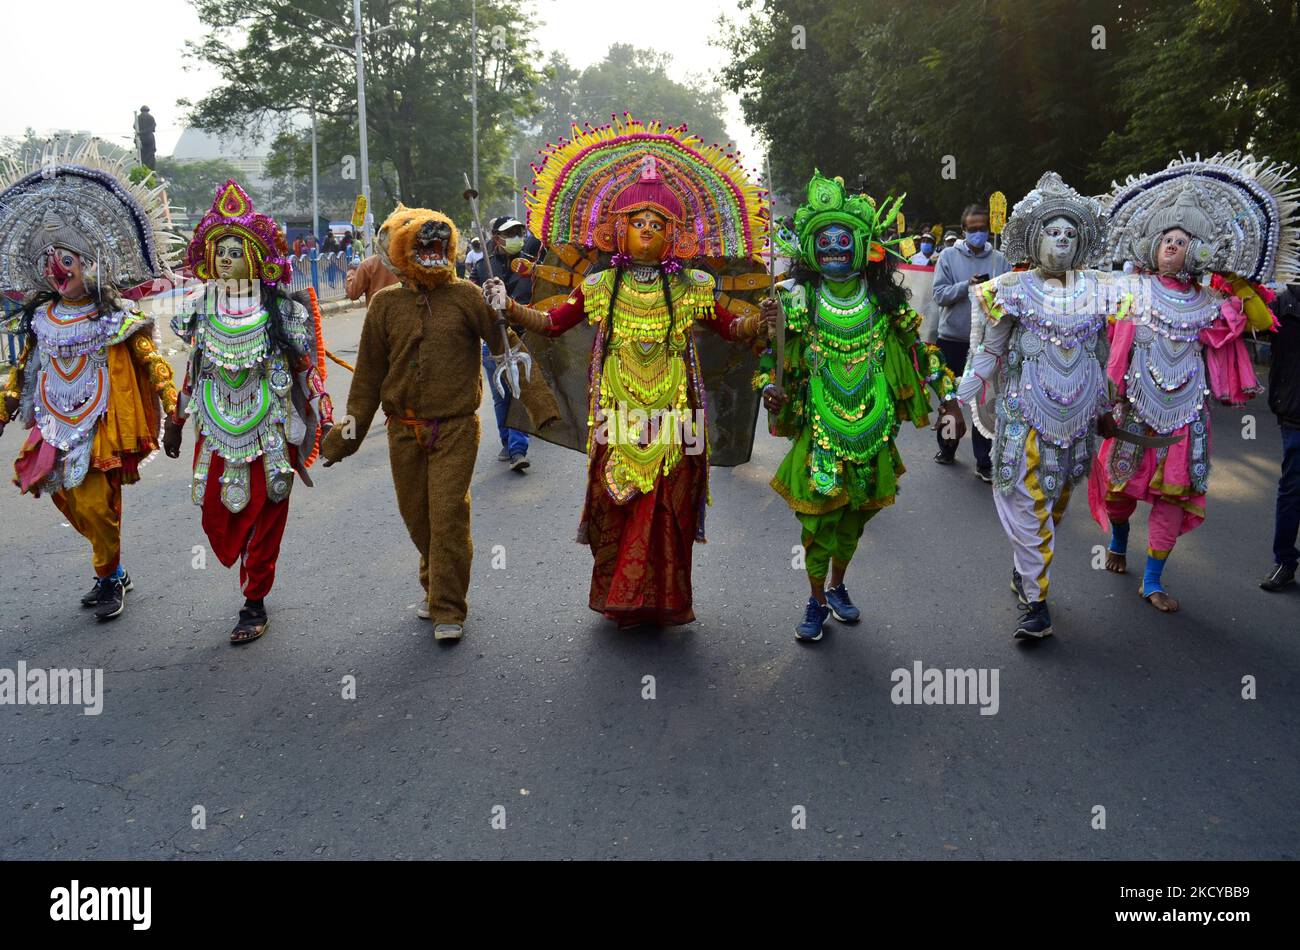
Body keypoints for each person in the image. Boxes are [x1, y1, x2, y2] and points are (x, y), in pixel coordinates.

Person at [485, 121, 770, 629]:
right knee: (616, 497)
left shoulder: (691, 285)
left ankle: (662, 600)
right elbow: (551, 323)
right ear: (618, 228)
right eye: (637, 220)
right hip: (615, 412)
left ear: (673, 235)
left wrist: (761, 320)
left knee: (669, 506)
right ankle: (623, 597)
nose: (647, 229)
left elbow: (732, 327)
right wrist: (509, 307)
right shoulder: (600, 284)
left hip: (676, 415)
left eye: (658, 223)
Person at [321, 205, 559, 641]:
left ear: (450, 249)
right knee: (419, 517)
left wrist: (542, 408)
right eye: (422, 245)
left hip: (455, 428)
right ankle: (434, 586)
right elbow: (368, 378)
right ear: (403, 251)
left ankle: (449, 608)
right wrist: (343, 439)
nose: (431, 251)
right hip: (402, 429)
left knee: (448, 514)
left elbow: (509, 351)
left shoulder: (469, 296)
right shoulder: (385, 306)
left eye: (438, 244)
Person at [758, 171, 963, 641]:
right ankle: (814, 600)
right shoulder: (797, 297)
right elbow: (774, 360)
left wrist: (949, 401)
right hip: (820, 428)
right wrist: (770, 373)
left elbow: (919, 350)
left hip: (874, 427)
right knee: (818, 518)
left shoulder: (884, 301)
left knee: (852, 519)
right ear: (810, 250)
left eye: (842, 241)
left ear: (862, 248)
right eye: (824, 242)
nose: (832, 248)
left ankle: (838, 587)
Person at [1091, 153, 1296, 613]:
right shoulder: (1130, 291)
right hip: (1133, 409)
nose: (1171, 244)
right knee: (1118, 488)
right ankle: (1120, 543)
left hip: (1185, 413)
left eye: (1181, 240)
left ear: (1195, 251)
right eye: (1166, 237)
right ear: (1152, 244)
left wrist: (1241, 287)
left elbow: (1251, 322)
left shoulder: (1209, 302)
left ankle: (1153, 578)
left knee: (1173, 495)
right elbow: (1105, 336)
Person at [0, 140, 179, 621]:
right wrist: (6, 406)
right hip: (53, 421)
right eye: (49, 262)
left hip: (102, 421)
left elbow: (148, 357)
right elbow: (23, 368)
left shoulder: (113, 317)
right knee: (62, 494)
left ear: (89, 264)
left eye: (67, 260)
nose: (57, 270)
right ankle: (112, 569)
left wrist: (170, 397)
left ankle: (108, 577)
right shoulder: (42, 318)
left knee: (98, 504)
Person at [162, 179, 333, 644]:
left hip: (272, 429)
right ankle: (249, 576)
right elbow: (194, 371)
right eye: (220, 251)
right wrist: (175, 422)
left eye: (235, 251)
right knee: (221, 513)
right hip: (216, 429)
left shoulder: (281, 312)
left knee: (270, 511)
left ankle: (254, 601)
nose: (224, 259)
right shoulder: (201, 309)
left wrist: (327, 415)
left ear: (256, 258)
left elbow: (305, 369)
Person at [957, 172, 1119, 639]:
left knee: (1052, 507)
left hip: (1078, 426)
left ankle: (1026, 572)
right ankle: (1037, 602)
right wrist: (957, 399)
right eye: (1054, 232)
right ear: (1035, 237)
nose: (1063, 241)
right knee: (1028, 506)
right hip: (1023, 422)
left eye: (1071, 233)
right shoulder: (1009, 288)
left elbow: (1102, 353)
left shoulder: (1099, 290)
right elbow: (989, 353)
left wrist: (1108, 404)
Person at [931, 204, 1010, 479]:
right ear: (963, 231)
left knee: (984, 400)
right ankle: (948, 447)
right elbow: (939, 294)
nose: (979, 233)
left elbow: (1010, 295)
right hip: (952, 339)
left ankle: (983, 460)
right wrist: (967, 286)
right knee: (951, 397)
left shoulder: (1000, 259)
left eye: (983, 229)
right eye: (973, 229)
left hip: (987, 343)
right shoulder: (948, 257)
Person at [471, 216, 538, 472]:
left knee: (519, 393)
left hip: (523, 338)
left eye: (519, 231)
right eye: (510, 233)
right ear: (497, 238)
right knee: (502, 397)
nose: (517, 237)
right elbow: (473, 301)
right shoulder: (481, 268)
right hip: (494, 340)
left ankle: (518, 449)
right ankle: (507, 442)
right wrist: (486, 300)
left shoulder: (532, 266)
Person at [1262, 282, 1300, 591]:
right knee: (1292, 491)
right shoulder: (1281, 302)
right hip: (1295, 412)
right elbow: (1245, 328)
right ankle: (1285, 562)